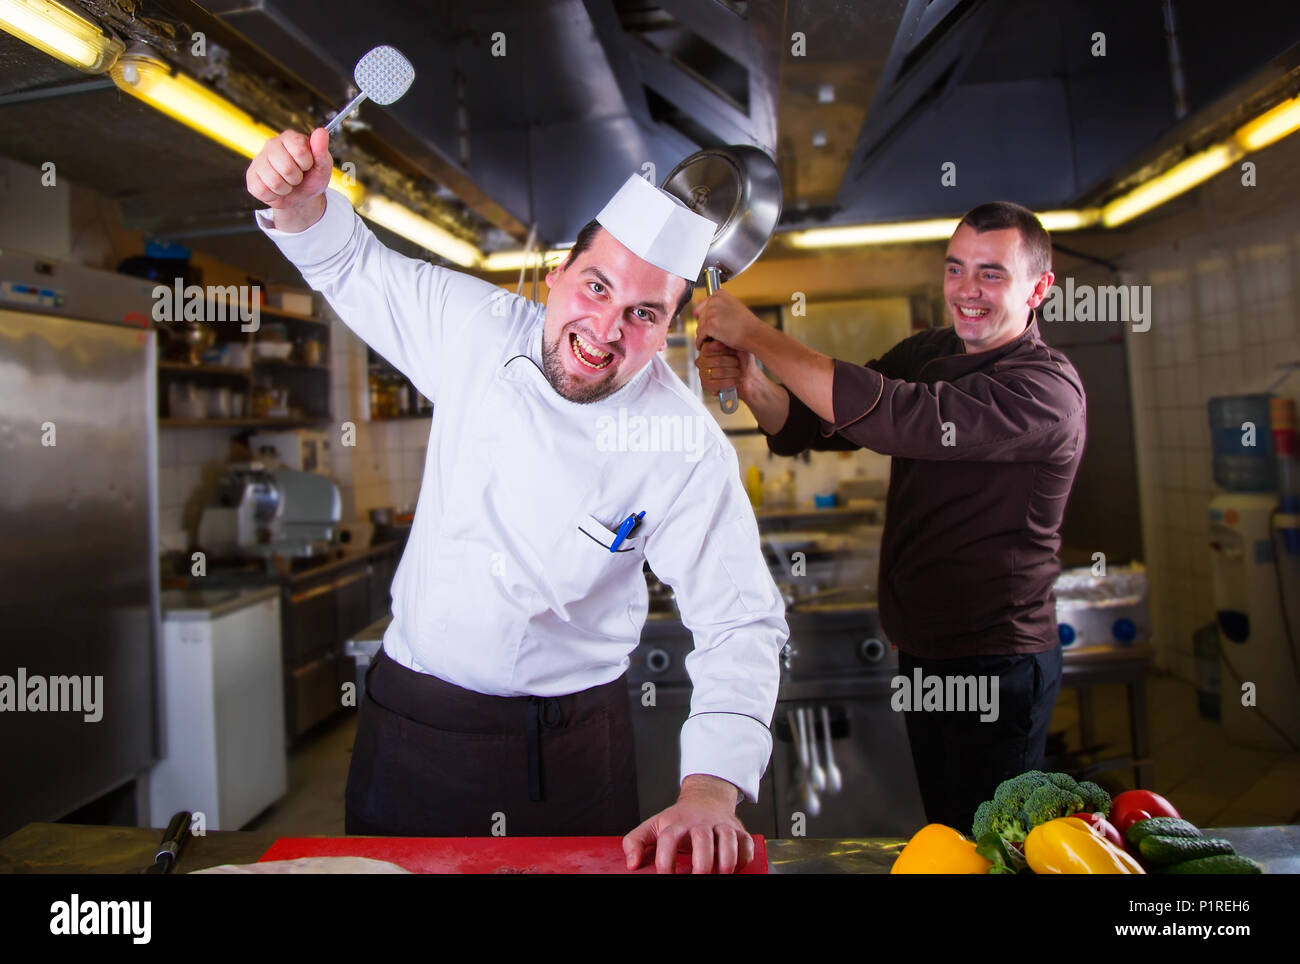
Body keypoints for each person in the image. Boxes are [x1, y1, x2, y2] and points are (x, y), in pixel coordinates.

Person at [245, 127, 787, 874]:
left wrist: (710, 790)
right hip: (415, 729)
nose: (605, 330)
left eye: (644, 313)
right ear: (561, 272)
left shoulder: (681, 443)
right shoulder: (473, 327)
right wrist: (302, 203)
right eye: (597, 287)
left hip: (573, 747)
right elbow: (349, 262)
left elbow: (740, 620)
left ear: (669, 327)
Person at [694, 201, 1085, 830]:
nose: (967, 291)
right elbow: (821, 424)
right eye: (956, 270)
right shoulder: (931, 350)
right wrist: (754, 381)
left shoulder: (1043, 390)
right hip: (928, 648)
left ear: (1039, 289)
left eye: (991, 274)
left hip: (996, 656)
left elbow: (896, 417)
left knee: (994, 845)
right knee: (950, 833)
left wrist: (757, 334)